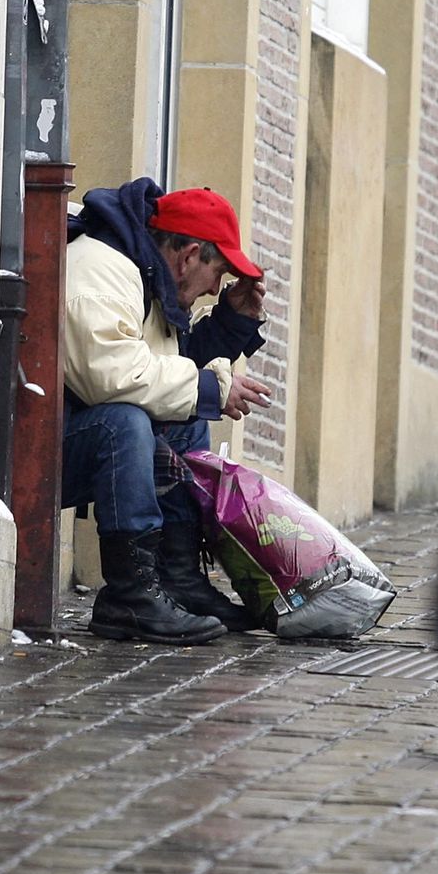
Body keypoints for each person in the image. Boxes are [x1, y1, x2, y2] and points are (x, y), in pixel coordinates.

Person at [60, 179, 273, 644]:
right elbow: (110, 375)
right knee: (126, 423)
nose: (217, 288)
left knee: (186, 414)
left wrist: (230, 323)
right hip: (43, 452)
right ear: (189, 254)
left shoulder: (146, 273)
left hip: (73, 436)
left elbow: (168, 368)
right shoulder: (101, 269)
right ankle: (128, 596)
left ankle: (177, 580)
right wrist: (208, 388)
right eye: (218, 275)